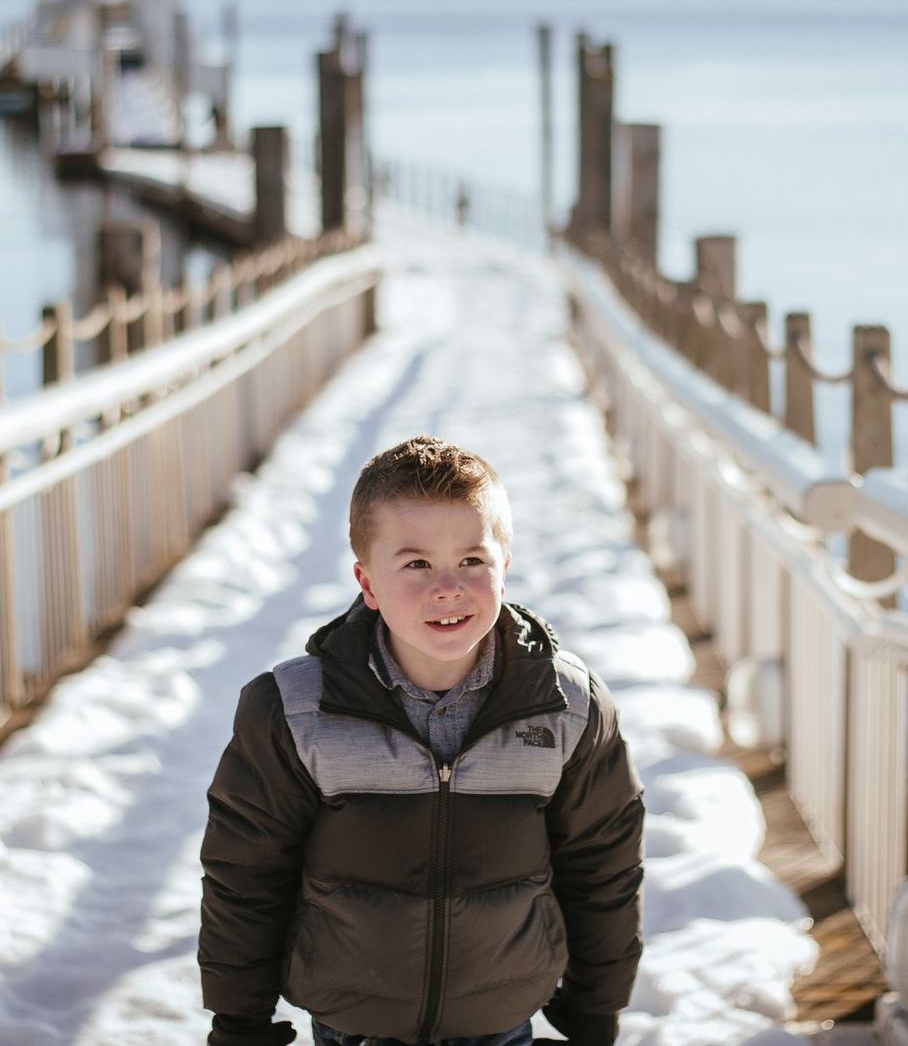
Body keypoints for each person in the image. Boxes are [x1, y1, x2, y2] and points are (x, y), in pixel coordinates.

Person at [199, 436, 645, 1046]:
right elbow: (245, 874)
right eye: (415, 564)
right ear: (368, 582)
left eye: (472, 561)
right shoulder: (295, 709)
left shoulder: (569, 707)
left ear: (504, 565)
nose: (448, 587)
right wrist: (239, 1020)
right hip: (352, 1021)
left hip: (500, 1017)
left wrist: (596, 1010)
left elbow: (603, 867)